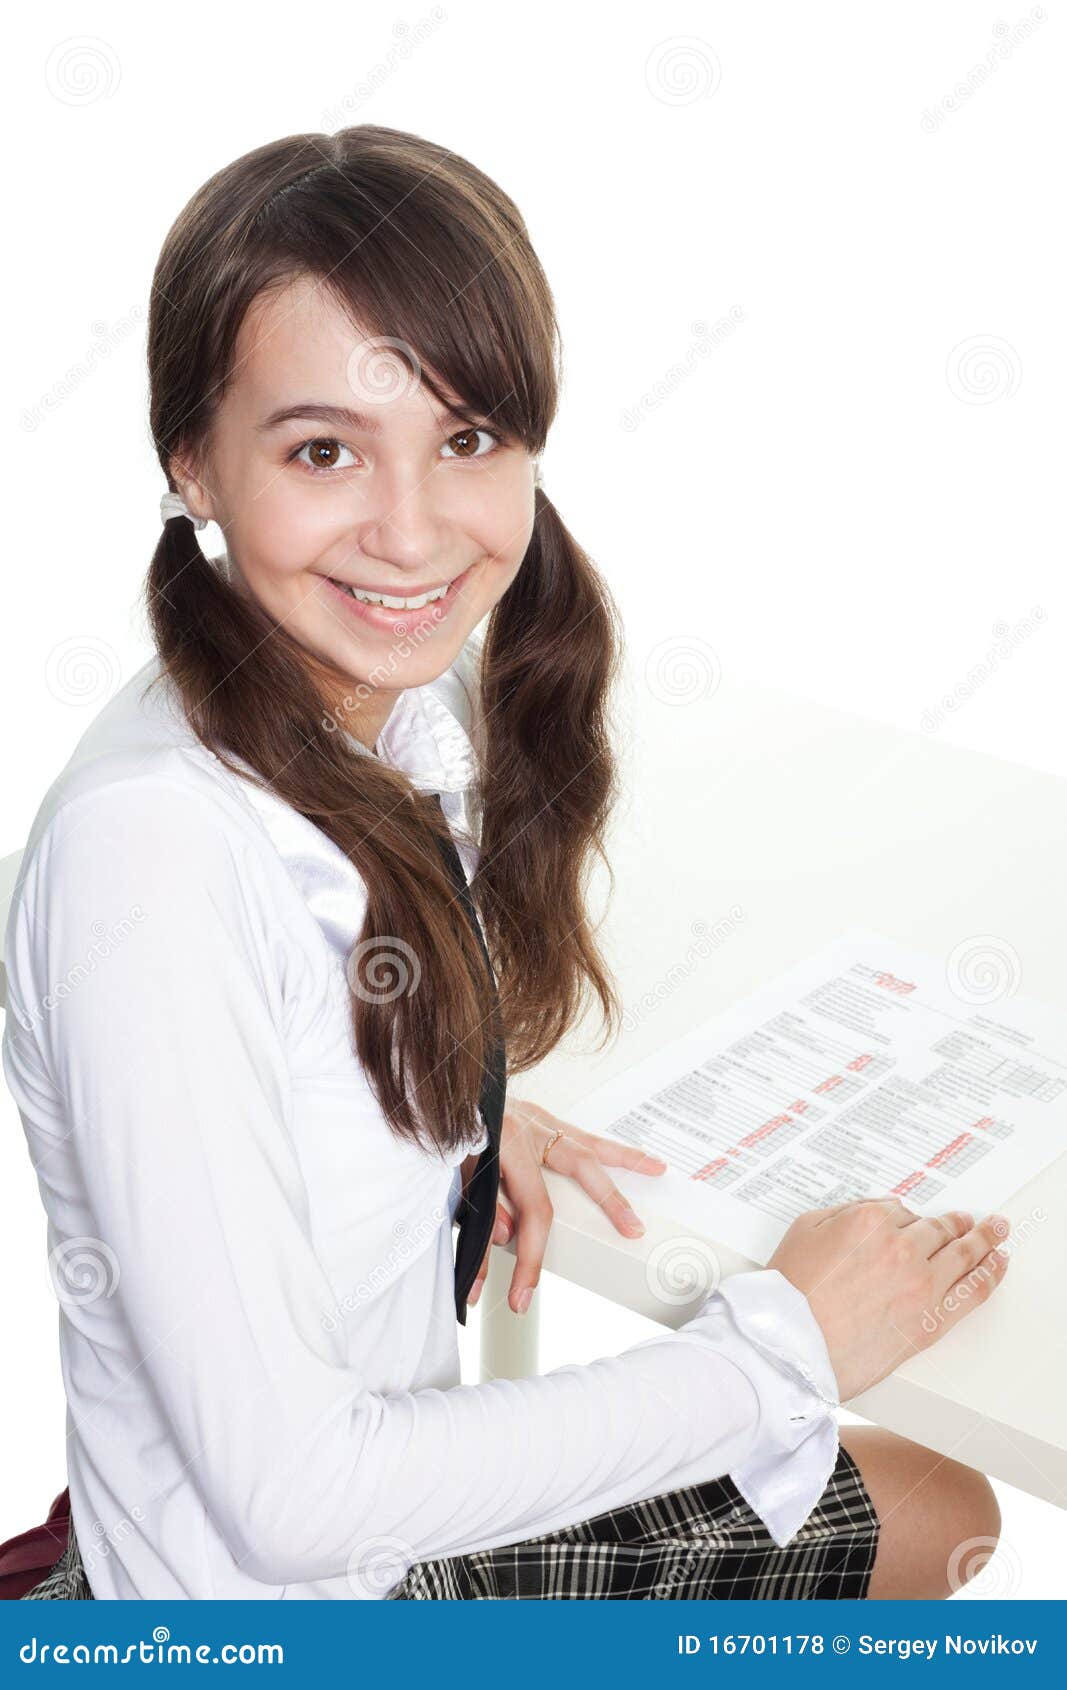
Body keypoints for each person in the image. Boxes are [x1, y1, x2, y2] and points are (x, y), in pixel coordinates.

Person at [2, 124, 1006, 1602]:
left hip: (353, 1544)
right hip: (276, 1610)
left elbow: (300, 996)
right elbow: (297, 1498)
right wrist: (781, 1338)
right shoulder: (150, 850)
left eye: (466, 438)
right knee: (930, 1527)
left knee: (936, 1504)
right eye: (323, 449)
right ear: (193, 462)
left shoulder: (382, 700)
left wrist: (439, 1121)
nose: (411, 533)